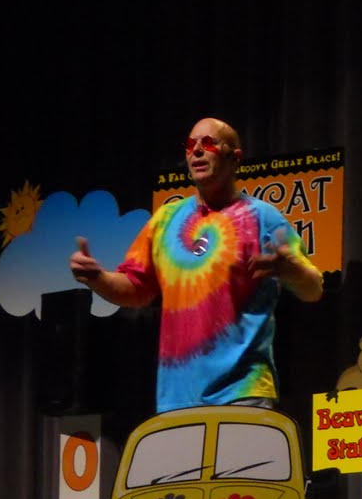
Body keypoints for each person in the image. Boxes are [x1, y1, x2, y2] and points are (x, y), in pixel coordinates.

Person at [69, 117, 324, 411]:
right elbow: (137, 289)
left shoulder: (262, 218)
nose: (197, 151)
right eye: (191, 145)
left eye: (208, 143)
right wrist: (97, 278)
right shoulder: (165, 219)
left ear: (235, 157)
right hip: (176, 399)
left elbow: (313, 289)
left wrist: (295, 270)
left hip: (242, 392)